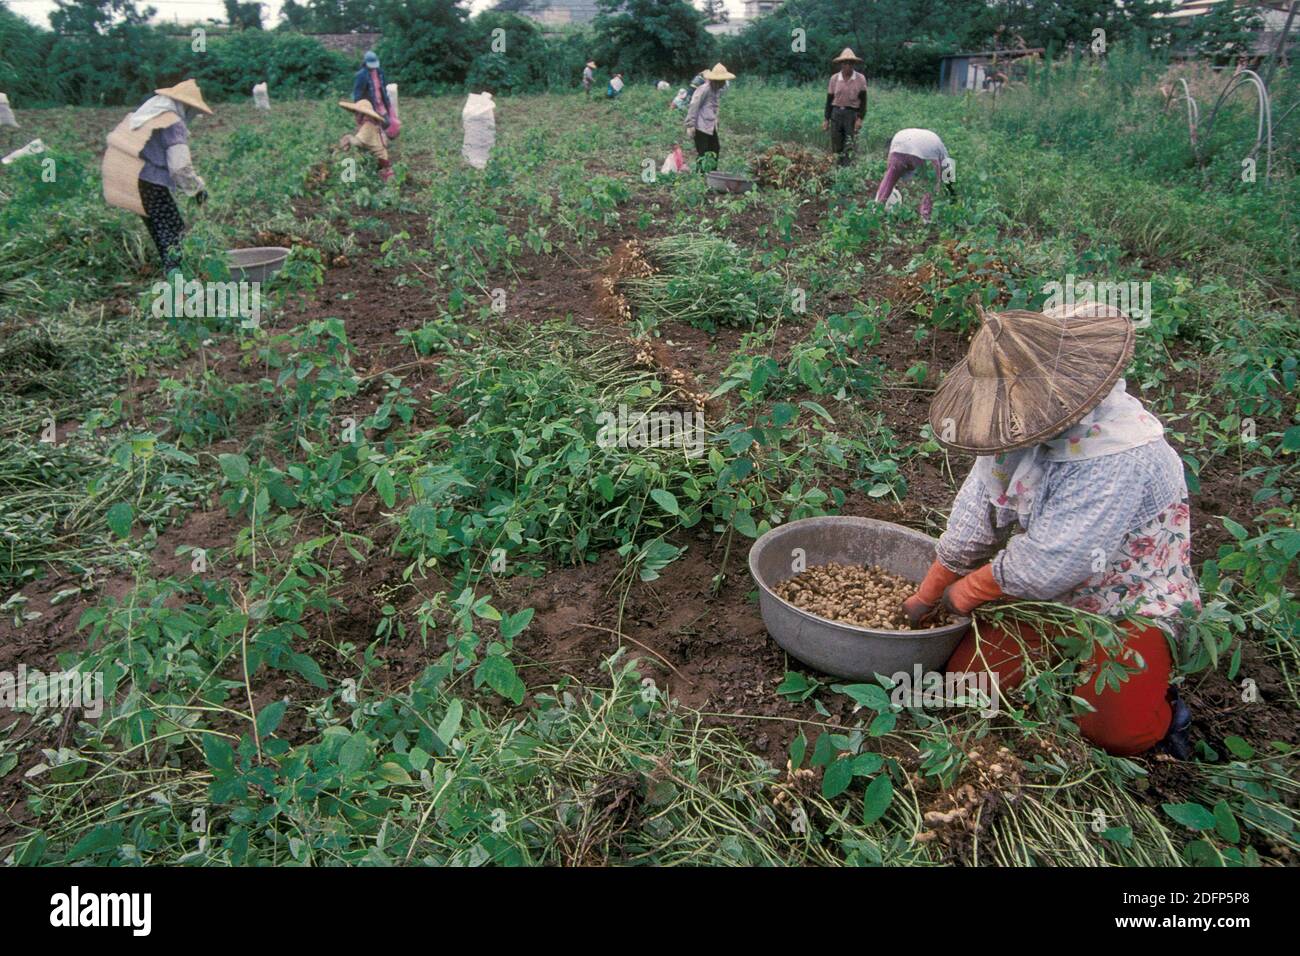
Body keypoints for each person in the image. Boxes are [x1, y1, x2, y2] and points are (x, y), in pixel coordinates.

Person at [902, 302, 1200, 758]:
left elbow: (1053, 562)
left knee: (1117, 733)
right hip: (1048, 594)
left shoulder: (1115, 453)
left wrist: (965, 594)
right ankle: (1063, 671)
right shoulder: (1013, 426)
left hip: (1128, 599)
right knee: (968, 686)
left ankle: (1164, 713)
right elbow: (976, 513)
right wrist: (929, 591)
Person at [101, 79, 212, 274]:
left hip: (131, 178)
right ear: (185, 105)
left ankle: (172, 272)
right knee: (173, 229)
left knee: (158, 228)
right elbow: (180, 167)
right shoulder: (172, 122)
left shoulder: (150, 113)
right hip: (150, 182)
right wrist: (197, 189)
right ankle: (177, 278)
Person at [873, 127, 953, 222]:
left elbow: (890, 167)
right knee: (930, 185)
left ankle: (876, 209)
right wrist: (950, 190)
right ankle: (926, 217)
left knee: (889, 179)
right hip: (923, 148)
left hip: (899, 141)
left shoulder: (934, 142)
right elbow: (948, 168)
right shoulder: (941, 149)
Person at [685, 63, 734, 169]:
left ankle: (712, 174)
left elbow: (713, 108)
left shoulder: (716, 90)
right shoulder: (704, 89)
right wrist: (690, 124)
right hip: (700, 125)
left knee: (715, 149)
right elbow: (694, 105)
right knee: (703, 152)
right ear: (717, 80)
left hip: (710, 125)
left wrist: (716, 121)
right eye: (722, 81)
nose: (723, 83)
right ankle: (701, 177)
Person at [823, 48, 867, 165]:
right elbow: (829, 100)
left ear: (854, 64)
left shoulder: (860, 78)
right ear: (841, 64)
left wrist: (860, 119)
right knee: (836, 144)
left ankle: (847, 171)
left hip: (852, 114)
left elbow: (863, 101)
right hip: (836, 113)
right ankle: (837, 168)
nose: (847, 65)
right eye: (845, 63)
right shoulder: (834, 79)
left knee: (850, 144)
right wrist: (826, 119)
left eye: (850, 63)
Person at [337, 98, 393, 182]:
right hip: (376, 161)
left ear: (363, 114)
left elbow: (357, 143)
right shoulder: (372, 125)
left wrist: (348, 137)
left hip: (379, 163)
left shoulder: (368, 126)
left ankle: (348, 181)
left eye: (357, 113)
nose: (355, 116)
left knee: (349, 158)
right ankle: (349, 180)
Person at [352, 50, 396, 134]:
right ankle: (370, 140)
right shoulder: (361, 75)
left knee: (386, 122)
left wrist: (388, 103)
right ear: (365, 63)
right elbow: (357, 92)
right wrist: (357, 108)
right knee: (369, 124)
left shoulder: (380, 72)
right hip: (369, 104)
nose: (373, 67)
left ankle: (380, 137)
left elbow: (384, 88)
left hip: (380, 103)